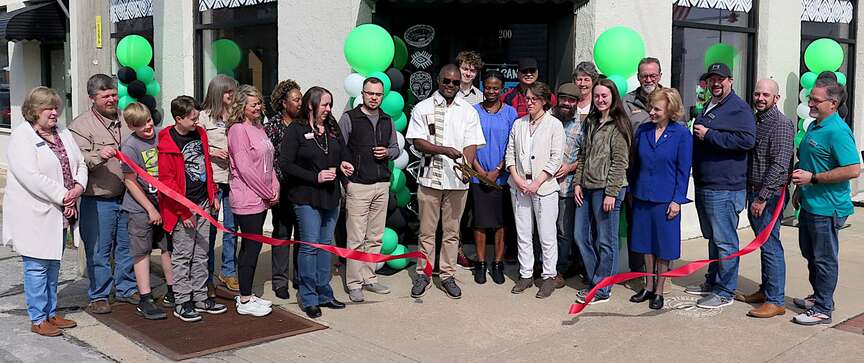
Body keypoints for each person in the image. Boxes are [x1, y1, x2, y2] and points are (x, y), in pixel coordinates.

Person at [3, 87, 87, 336]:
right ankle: (38, 318)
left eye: (55, 108)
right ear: (33, 111)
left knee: (53, 264)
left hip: (62, 212)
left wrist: (79, 186)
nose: (54, 113)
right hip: (35, 213)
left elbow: (80, 162)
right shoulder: (21, 137)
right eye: (48, 108)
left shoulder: (62, 132)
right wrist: (65, 194)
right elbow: (31, 177)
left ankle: (50, 313)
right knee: (37, 267)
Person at [406, 64, 486, 299]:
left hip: (457, 183)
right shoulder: (423, 108)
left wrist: (467, 167)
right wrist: (443, 150)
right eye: (447, 81)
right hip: (430, 179)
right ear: (438, 81)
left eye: (455, 82)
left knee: (452, 232)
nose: (451, 86)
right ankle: (424, 273)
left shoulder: (468, 111)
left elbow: (472, 142)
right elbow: (418, 142)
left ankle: (448, 275)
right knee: (427, 231)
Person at [685, 63, 756, 309]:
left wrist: (710, 136)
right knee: (714, 239)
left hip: (725, 187)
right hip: (706, 183)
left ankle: (725, 291)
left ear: (730, 81)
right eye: (712, 79)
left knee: (725, 241)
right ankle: (713, 281)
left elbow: (747, 140)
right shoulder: (710, 105)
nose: (716, 83)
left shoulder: (739, 108)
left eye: (720, 79)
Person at [790, 78, 860, 325]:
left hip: (828, 207)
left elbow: (853, 169)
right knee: (811, 254)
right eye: (811, 99)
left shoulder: (838, 131)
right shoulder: (814, 125)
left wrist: (814, 179)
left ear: (833, 103)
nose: (810, 103)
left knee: (824, 259)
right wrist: (800, 189)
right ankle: (820, 297)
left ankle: (822, 309)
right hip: (810, 204)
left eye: (816, 100)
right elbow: (810, 163)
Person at [280, 86, 351, 318]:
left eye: (330, 105)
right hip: (306, 196)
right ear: (311, 105)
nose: (328, 109)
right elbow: (286, 164)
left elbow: (342, 153)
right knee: (309, 246)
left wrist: (343, 166)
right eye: (325, 105)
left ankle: (324, 292)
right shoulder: (296, 130)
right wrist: (315, 176)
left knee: (325, 246)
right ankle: (308, 296)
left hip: (331, 196)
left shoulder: (331, 127)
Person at [69, 74, 137, 314]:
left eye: (114, 94)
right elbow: (78, 161)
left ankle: (127, 289)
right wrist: (99, 156)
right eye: (105, 96)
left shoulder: (127, 119)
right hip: (97, 200)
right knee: (99, 250)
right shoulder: (80, 126)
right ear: (92, 98)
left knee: (127, 247)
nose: (112, 99)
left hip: (128, 197)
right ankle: (99, 295)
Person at [158, 96, 227, 322]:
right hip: (182, 208)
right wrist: (183, 212)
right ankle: (182, 300)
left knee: (201, 253)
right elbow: (168, 183)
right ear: (178, 119)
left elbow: (206, 164)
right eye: (193, 118)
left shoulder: (200, 134)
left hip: (204, 203)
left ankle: (200, 296)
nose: (197, 122)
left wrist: (213, 194)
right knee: (183, 255)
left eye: (197, 117)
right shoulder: (168, 143)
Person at [734, 79, 795, 318]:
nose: (760, 98)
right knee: (764, 244)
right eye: (757, 93)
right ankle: (765, 290)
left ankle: (775, 300)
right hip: (755, 191)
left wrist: (761, 197)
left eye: (766, 95)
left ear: (776, 98)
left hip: (768, 196)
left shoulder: (781, 124)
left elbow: (780, 165)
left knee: (771, 247)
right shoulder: (755, 120)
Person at [628, 88, 692, 310]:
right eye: (650, 107)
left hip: (666, 199)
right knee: (645, 244)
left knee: (663, 247)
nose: (651, 112)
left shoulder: (681, 134)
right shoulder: (644, 130)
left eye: (657, 109)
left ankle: (659, 290)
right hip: (643, 196)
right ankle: (648, 285)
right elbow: (635, 163)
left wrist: (677, 200)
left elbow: (683, 171)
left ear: (670, 110)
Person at [338, 77, 399, 302]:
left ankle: (369, 278)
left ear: (382, 96)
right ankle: (354, 283)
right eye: (370, 93)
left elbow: (395, 148)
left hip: (381, 184)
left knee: (375, 236)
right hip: (358, 185)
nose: (374, 97)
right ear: (362, 94)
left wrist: (388, 153)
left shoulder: (387, 119)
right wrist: (348, 182)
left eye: (378, 94)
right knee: (355, 237)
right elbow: (339, 149)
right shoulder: (349, 118)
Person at [573, 78, 633, 305]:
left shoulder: (619, 124)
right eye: (597, 96)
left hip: (607, 190)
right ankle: (595, 278)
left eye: (604, 96)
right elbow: (584, 154)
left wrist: (611, 192)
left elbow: (620, 162)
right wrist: (578, 182)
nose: (600, 100)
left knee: (606, 241)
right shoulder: (591, 121)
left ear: (612, 97)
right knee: (581, 236)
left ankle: (602, 288)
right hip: (586, 188)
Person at [506, 82, 564, 299]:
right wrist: (517, 178)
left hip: (544, 187)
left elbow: (555, 158)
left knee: (547, 234)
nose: (529, 103)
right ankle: (526, 274)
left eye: (534, 99)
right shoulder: (518, 124)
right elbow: (510, 153)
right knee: (523, 232)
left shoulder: (554, 125)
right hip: (520, 185)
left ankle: (548, 276)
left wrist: (537, 182)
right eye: (527, 99)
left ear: (544, 101)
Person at [119, 103, 175, 320]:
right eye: (141, 125)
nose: (148, 127)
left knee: (167, 248)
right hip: (140, 207)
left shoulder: (161, 136)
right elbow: (130, 182)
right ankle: (145, 298)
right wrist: (150, 208)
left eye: (149, 121)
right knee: (141, 251)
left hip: (164, 202)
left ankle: (172, 290)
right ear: (132, 126)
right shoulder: (130, 146)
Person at [227, 85, 278, 317]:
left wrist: (274, 185)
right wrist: (266, 191)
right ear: (242, 106)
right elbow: (245, 168)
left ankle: (248, 293)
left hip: (262, 195)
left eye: (259, 102)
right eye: (253, 104)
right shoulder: (238, 130)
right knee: (251, 247)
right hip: (247, 197)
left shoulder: (259, 126)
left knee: (255, 245)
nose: (258, 107)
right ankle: (245, 299)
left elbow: (268, 161)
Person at [470, 71, 518, 285]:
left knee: (500, 222)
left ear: (502, 89)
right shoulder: (472, 112)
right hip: (478, 176)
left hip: (501, 176)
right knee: (480, 222)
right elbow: (468, 142)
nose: (491, 91)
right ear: (483, 86)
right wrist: (479, 171)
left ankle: (497, 263)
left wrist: (498, 170)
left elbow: (513, 144)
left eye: (495, 88)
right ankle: (480, 263)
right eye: (487, 87)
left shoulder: (510, 113)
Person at [199, 74, 240, 293]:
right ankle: (206, 274)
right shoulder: (203, 117)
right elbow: (196, 146)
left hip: (233, 179)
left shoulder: (236, 116)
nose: (232, 96)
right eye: (228, 92)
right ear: (217, 93)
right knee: (211, 227)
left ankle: (228, 272)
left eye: (233, 91)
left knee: (232, 228)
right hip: (213, 179)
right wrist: (214, 152)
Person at [265, 79, 303, 299]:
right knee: (281, 234)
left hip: (302, 188)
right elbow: (268, 161)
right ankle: (280, 281)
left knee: (301, 234)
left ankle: (299, 277)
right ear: (283, 103)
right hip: (281, 188)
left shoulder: (304, 125)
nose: (300, 103)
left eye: (300, 99)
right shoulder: (272, 127)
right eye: (295, 99)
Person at [551, 83, 584, 288]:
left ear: (576, 103)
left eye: (571, 100)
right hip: (543, 186)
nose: (567, 103)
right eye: (563, 99)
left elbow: (586, 156)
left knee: (564, 231)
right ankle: (543, 265)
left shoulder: (583, 124)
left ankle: (561, 269)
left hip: (567, 187)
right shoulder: (545, 118)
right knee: (543, 231)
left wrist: (570, 166)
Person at [624, 57, 666, 130]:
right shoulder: (627, 101)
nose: (648, 80)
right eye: (644, 76)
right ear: (638, 77)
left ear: (659, 76)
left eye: (653, 76)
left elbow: (681, 128)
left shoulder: (670, 98)